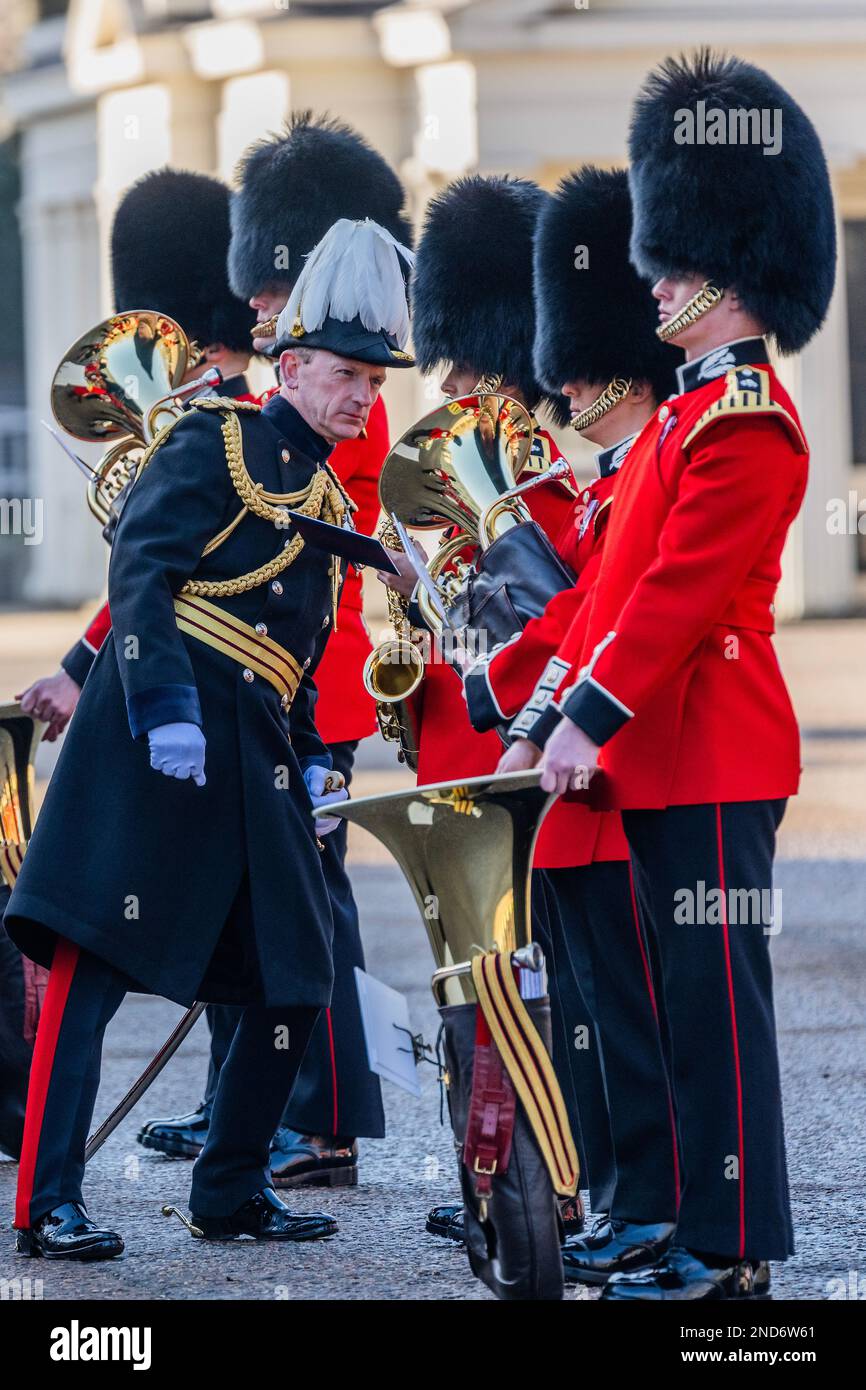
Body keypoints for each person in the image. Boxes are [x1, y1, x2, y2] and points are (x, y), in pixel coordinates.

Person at [7, 217, 415, 1259]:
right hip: (159, 730)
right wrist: (165, 709)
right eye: (346, 374)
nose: (362, 397)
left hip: (259, 749)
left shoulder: (325, 498)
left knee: (294, 973)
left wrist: (320, 752)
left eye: (374, 381)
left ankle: (228, 1187)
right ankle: (48, 1201)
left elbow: (302, 651)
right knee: (87, 973)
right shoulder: (210, 437)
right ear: (291, 364)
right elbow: (141, 567)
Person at [534, 50, 836, 1300]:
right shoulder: (679, 418)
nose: (648, 277)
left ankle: (727, 1253)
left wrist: (587, 712)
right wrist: (556, 706)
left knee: (715, 1016)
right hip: (658, 758)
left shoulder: (745, 418)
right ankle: (677, 1228)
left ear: (720, 266)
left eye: (667, 259)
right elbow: (609, 594)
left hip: (710, 752)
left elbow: (678, 596)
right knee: (676, 1010)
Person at [140, 113, 414, 1184]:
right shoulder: (265, 393)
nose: (253, 305)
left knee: (312, 911)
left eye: (266, 291)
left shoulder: (345, 401)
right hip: (258, 680)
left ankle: (327, 1118)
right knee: (249, 905)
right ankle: (236, 1108)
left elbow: (317, 549)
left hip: (314, 681)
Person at [469, 167, 683, 1285]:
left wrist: (533, 702)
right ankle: (611, 1191)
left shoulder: (654, 455)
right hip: (570, 773)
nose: (565, 391)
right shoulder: (616, 469)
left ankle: (645, 1203)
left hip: (617, 769)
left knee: (632, 1016)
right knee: (593, 1008)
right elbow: (579, 611)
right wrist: (494, 681)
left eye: (582, 371)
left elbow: (619, 614)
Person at [377, 173, 597, 1240]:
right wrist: (404, 595)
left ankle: (535, 1189)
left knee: (509, 979)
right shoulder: (451, 453)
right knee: (471, 980)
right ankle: (489, 1181)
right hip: (452, 741)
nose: (451, 373)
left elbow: (543, 606)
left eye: (462, 351)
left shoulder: (528, 461)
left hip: (499, 746)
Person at [18, 169, 259, 741]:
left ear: (207, 343)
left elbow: (165, 567)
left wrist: (79, 667)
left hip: (242, 678)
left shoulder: (242, 427)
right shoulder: (198, 426)